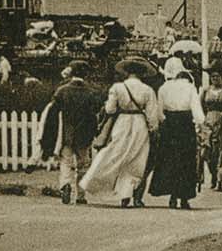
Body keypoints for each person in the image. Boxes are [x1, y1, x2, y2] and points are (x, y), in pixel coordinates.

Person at [81, 58, 161, 208]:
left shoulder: (117, 87)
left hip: (122, 123)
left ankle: (93, 181)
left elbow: (110, 109)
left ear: (127, 72)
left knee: (115, 154)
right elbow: (152, 115)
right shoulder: (147, 90)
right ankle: (127, 194)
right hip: (139, 124)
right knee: (135, 159)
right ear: (142, 73)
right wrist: (153, 129)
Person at [148, 56, 205, 210]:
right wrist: (199, 124)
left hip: (170, 126)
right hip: (185, 124)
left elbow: (159, 112)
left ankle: (173, 195)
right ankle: (184, 197)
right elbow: (197, 110)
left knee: (170, 159)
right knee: (186, 160)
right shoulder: (189, 87)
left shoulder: (163, 88)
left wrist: (163, 123)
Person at [51, 60, 101, 205]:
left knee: (66, 161)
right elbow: (96, 110)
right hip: (84, 133)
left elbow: (54, 109)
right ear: (85, 74)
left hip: (67, 132)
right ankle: (80, 195)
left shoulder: (62, 90)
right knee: (83, 164)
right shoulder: (91, 92)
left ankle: (65, 185)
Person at [199, 65, 222, 191]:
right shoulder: (206, 91)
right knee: (209, 151)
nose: (215, 79)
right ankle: (213, 175)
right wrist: (205, 119)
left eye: (217, 77)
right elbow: (201, 107)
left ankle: (221, 178)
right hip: (209, 123)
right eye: (213, 77)